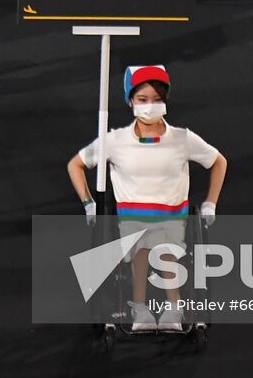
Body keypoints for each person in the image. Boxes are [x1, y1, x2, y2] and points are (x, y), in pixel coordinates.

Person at [65, 65, 227, 332]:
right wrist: (88, 203)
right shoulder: (115, 141)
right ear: (130, 101)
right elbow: (76, 165)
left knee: (164, 248)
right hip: (132, 217)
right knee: (141, 245)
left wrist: (211, 203)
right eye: (142, 99)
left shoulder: (183, 139)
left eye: (157, 99)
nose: (150, 105)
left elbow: (219, 162)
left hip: (172, 216)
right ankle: (139, 307)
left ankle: (174, 307)